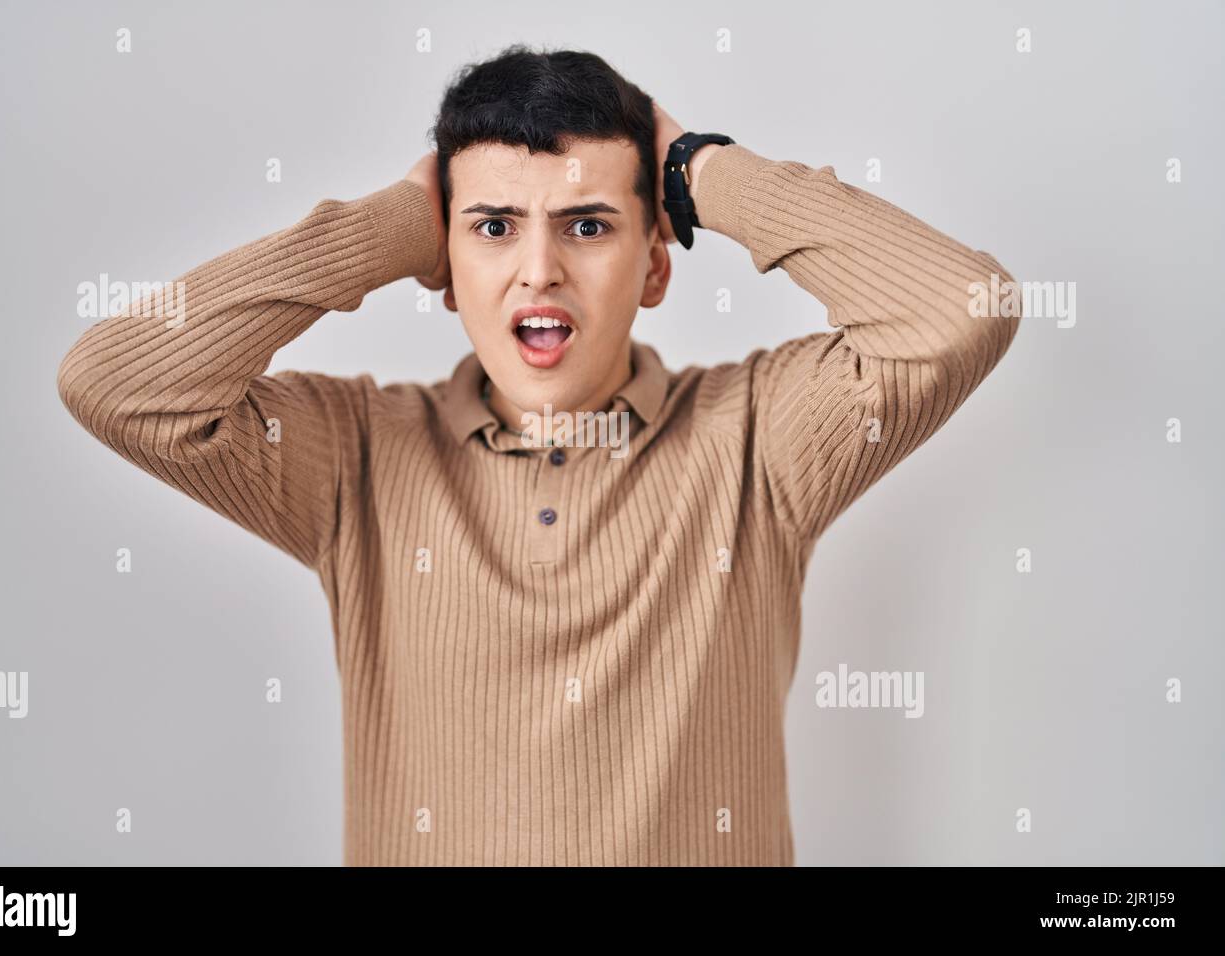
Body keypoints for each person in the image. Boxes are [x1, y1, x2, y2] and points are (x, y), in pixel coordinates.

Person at [55, 44, 1020, 865]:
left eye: (588, 225)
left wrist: (701, 169)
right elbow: (116, 385)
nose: (540, 267)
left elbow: (961, 310)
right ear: (443, 267)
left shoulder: (761, 437)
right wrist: (388, 225)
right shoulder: (352, 457)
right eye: (493, 228)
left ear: (652, 264)